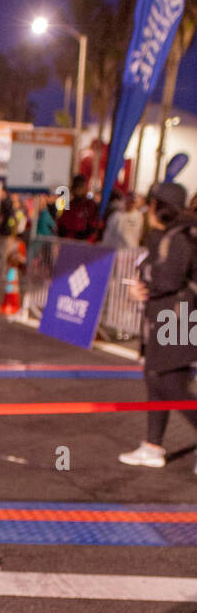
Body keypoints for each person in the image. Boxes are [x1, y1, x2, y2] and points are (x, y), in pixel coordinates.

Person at [119, 182, 197, 471]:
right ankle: (152, 445)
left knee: (172, 386)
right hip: (171, 317)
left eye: (149, 203)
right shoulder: (172, 235)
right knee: (155, 379)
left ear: (157, 206)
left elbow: (168, 278)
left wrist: (145, 282)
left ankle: (153, 446)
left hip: (177, 319)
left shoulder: (178, 237)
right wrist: (143, 284)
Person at [56, 173, 100, 242]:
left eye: (80, 187)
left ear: (85, 188)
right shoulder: (70, 205)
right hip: (68, 243)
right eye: (76, 187)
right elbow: (62, 224)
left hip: (84, 243)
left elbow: (94, 227)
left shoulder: (89, 205)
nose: (78, 190)